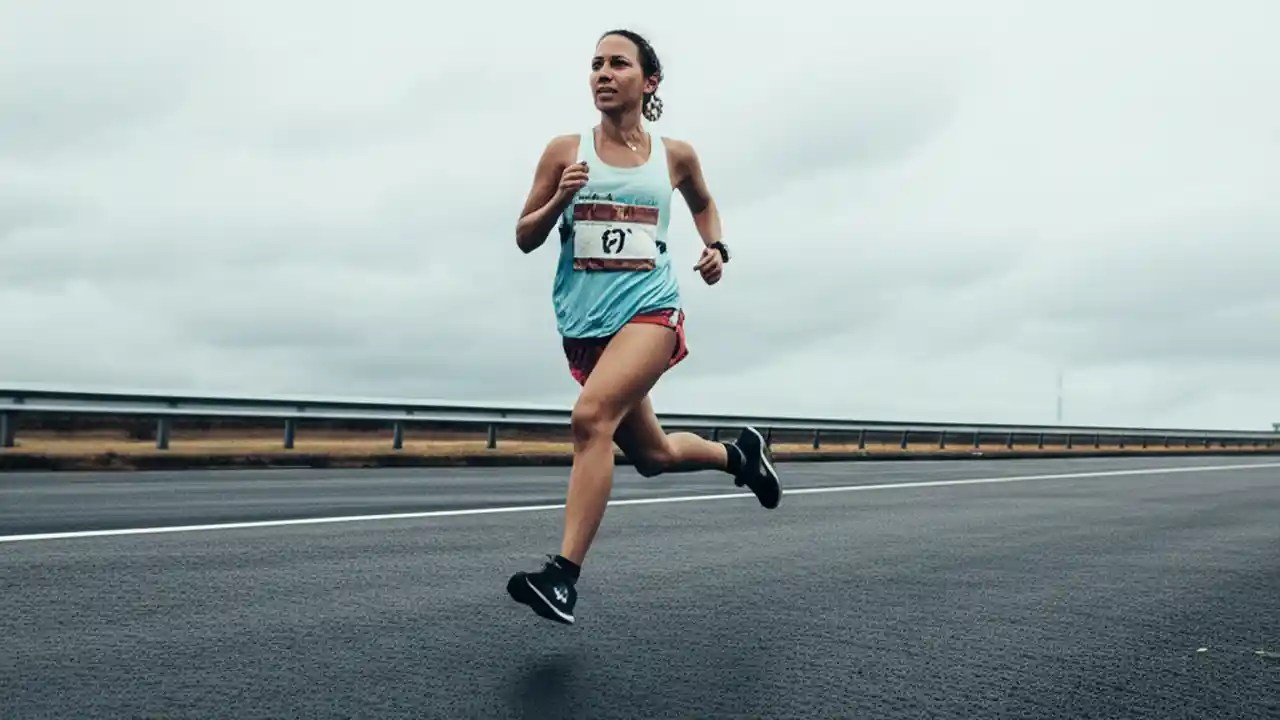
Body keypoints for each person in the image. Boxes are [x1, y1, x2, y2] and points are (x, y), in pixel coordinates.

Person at [506, 28, 782, 626]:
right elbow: (525, 236)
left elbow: (704, 204)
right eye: (596, 64)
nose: (603, 74)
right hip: (587, 327)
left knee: (590, 419)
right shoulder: (564, 151)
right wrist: (559, 200)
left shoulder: (674, 156)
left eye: (618, 64)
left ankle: (562, 577)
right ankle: (740, 456)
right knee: (653, 456)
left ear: (649, 81)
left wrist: (717, 249)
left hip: (651, 312)